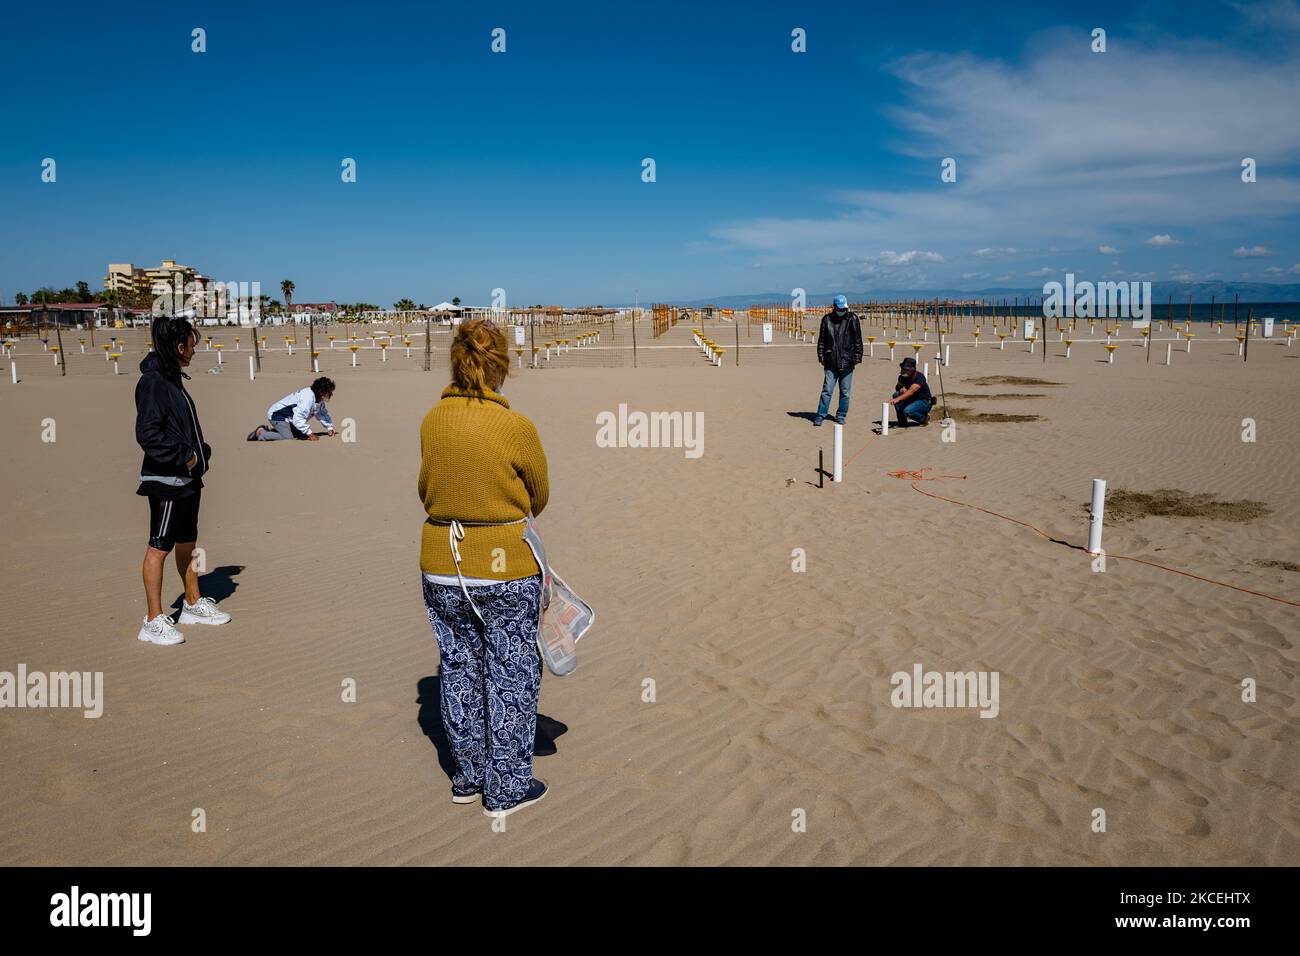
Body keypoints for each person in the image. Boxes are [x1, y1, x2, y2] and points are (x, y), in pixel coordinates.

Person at [418, 319, 551, 818]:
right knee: (511, 672)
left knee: (457, 667)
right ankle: (507, 787)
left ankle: (468, 776)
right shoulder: (515, 426)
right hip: (505, 565)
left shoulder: (433, 419)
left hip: (441, 562)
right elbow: (540, 494)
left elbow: (426, 487)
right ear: (502, 366)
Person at [135, 315, 231, 645]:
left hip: (187, 479)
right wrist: (185, 456)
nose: (194, 348)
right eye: (193, 343)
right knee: (158, 546)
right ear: (179, 346)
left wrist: (199, 454)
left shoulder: (173, 378)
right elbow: (147, 433)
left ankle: (191, 604)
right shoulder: (153, 383)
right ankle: (152, 619)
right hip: (166, 479)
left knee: (187, 541)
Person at [814, 294, 863, 425]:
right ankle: (821, 414)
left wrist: (857, 358)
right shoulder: (826, 320)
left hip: (847, 361)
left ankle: (841, 415)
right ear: (834, 306)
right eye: (839, 308)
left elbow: (858, 340)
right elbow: (821, 341)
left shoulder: (852, 318)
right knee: (827, 390)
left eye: (843, 309)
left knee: (845, 392)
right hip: (830, 361)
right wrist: (821, 357)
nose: (841, 311)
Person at [248, 377, 336, 441]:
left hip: (289, 419)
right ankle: (261, 433)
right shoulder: (307, 398)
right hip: (277, 415)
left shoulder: (319, 399)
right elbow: (298, 419)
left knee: (300, 434)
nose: (331, 394)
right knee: (289, 438)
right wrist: (310, 434)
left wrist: (329, 427)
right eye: (329, 392)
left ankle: (274, 430)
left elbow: (322, 413)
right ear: (321, 392)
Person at [889, 356, 934, 427]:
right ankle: (902, 422)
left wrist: (897, 399)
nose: (902, 370)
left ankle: (924, 419)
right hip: (912, 399)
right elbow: (898, 387)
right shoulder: (902, 377)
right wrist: (900, 389)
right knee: (896, 394)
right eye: (902, 368)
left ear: (912, 370)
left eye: (905, 369)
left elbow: (910, 392)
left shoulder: (919, 377)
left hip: (924, 401)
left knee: (907, 411)